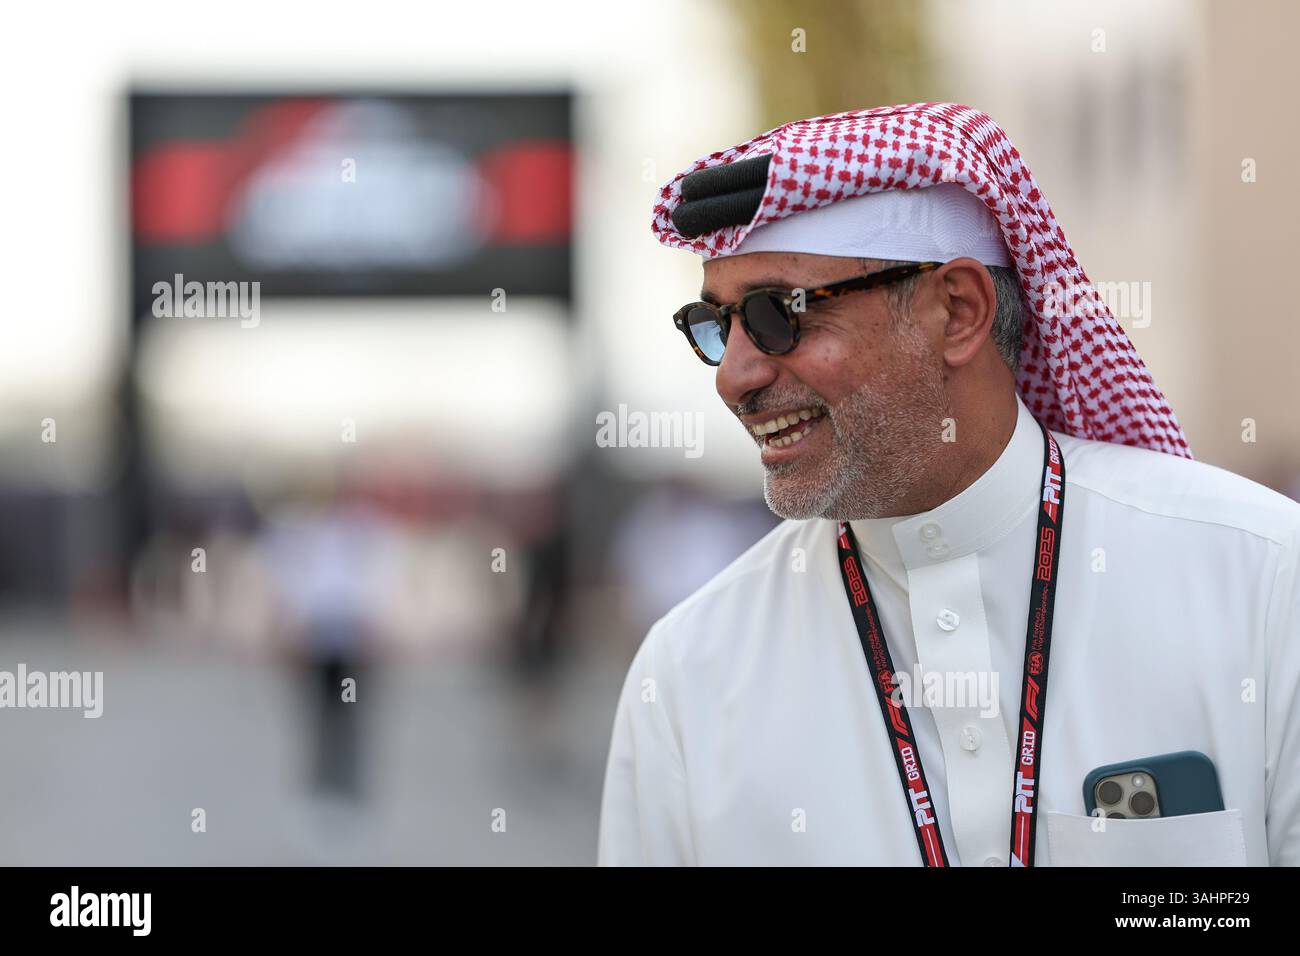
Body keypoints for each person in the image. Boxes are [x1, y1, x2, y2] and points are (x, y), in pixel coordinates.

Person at [596, 103, 1300, 866]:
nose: (736, 377)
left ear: (958, 311)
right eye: (716, 324)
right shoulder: (691, 675)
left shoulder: (1262, 584)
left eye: (778, 314)